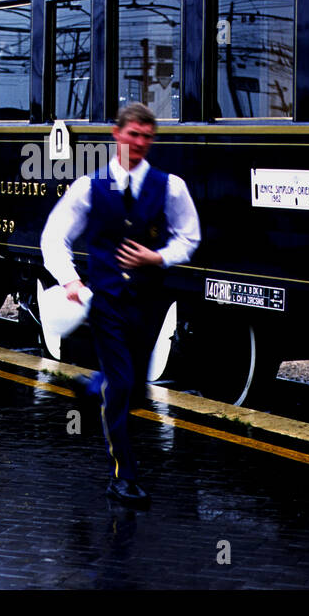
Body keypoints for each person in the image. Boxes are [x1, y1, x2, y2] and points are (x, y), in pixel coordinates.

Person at [40, 102, 200, 507]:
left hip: (147, 301)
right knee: (124, 385)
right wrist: (70, 278)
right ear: (117, 134)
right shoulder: (89, 187)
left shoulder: (170, 187)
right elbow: (54, 237)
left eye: (148, 136)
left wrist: (158, 257)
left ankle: (96, 386)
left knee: (136, 390)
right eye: (134, 134)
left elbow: (188, 237)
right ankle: (123, 476)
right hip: (106, 301)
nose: (141, 143)